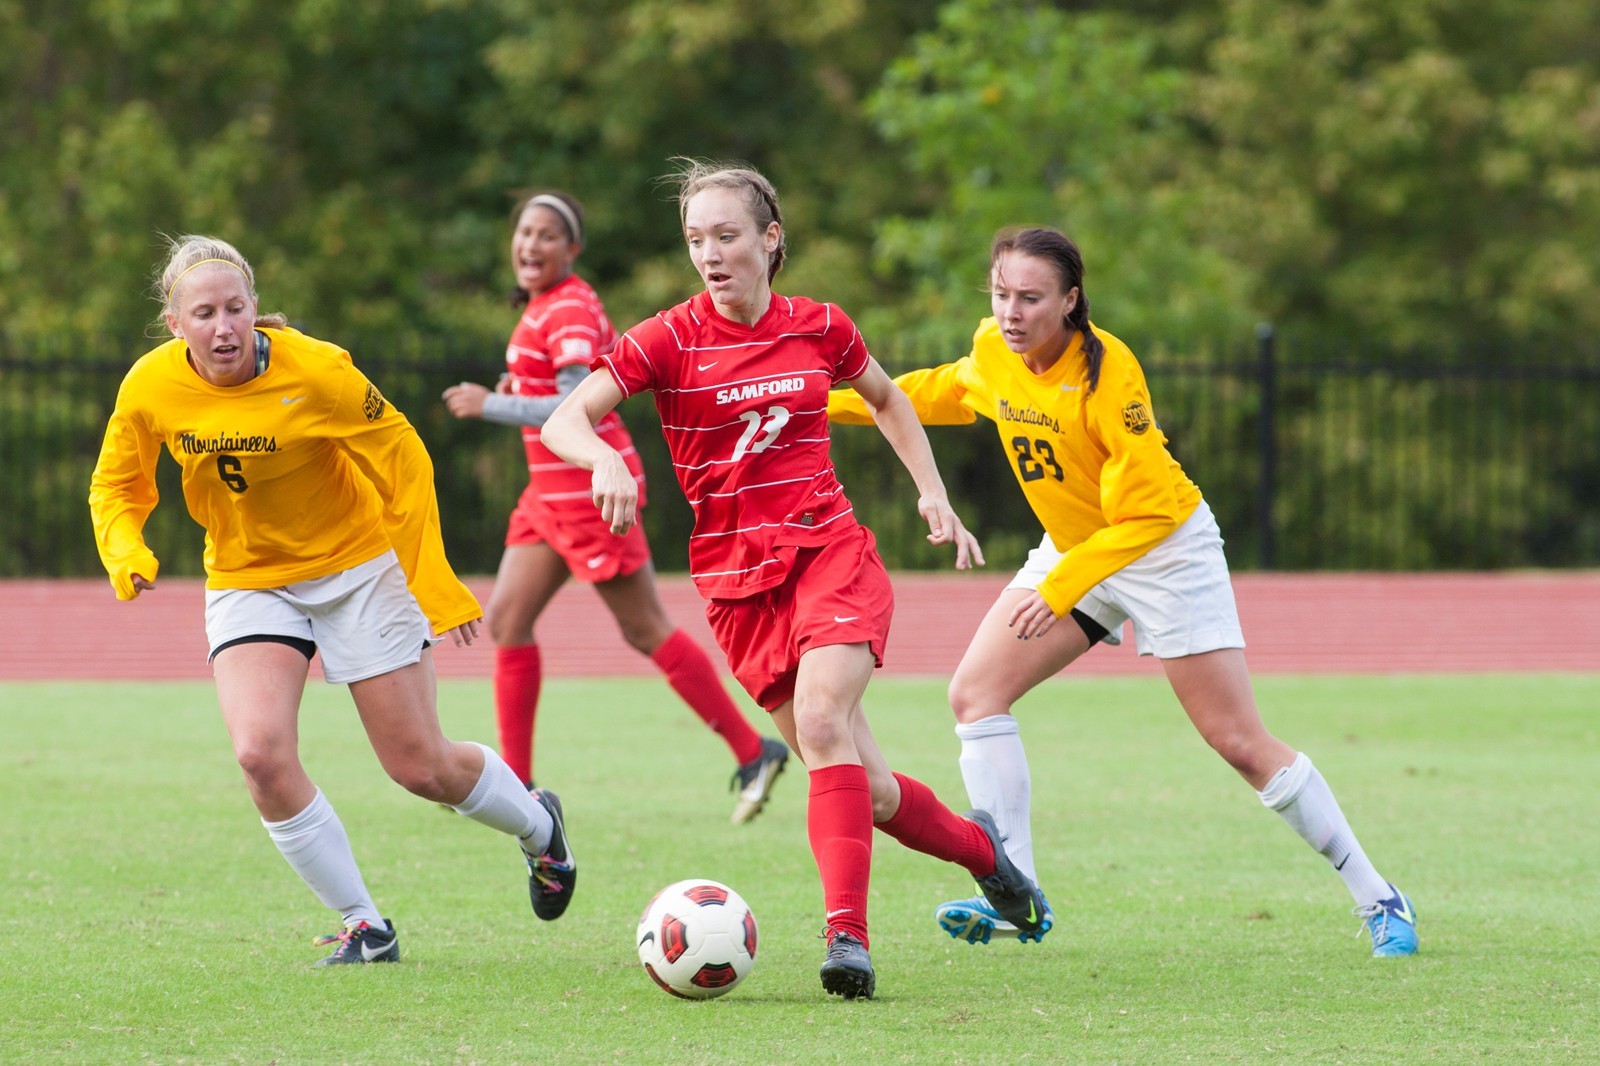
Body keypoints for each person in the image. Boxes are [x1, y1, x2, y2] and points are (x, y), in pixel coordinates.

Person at [827, 225, 1418, 957]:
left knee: (1237, 741)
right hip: (1079, 548)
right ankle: (1017, 891)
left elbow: (1141, 515)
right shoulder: (994, 348)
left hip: (1163, 548)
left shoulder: (1110, 375)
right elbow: (942, 390)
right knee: (974, 696)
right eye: (1002, 294)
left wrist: (1069, 581)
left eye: (1031, 298)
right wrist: (824, 401)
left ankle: (1379, 896)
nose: (1011, 312)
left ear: (1071, 300)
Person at [540, 160, 1051, 1001]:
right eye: (696, 239)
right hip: (737, 586)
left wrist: (932, 491)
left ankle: (847, 940)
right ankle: (987, 854)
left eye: (727, 235)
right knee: (872, 789)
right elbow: (569, 417)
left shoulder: (820, 325)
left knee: (819, 719)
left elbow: (888, 399)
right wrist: (603, 459)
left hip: (826, 551)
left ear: (770, 240)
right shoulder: (667, 337)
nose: (710, 253)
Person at [88, 235, 578, 966]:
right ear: (174, 322)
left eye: (234, 309)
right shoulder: (149, 386)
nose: (222, 328)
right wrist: (125, 550)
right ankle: (365, 925)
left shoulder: (318, 370)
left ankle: (540, 829)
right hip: (249, 579)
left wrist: (434, 583)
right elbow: (117, 486)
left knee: (421, 768)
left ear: (255, 308)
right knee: (259, 755)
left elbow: (403, 457)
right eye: (204, 314)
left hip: (356, 570)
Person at [442, 190, 788, 823]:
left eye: (549, 235)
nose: (531, 245)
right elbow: (551, 386)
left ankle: (752, 749)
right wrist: (519, 387)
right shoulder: (549, 305)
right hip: (547, 495)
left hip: (588, 494)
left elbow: (574, 405)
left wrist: (489, 404)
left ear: (572, 249)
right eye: (525, 232)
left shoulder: (570, 304)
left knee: (644, 627)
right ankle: (516, 784)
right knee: (508, 622)